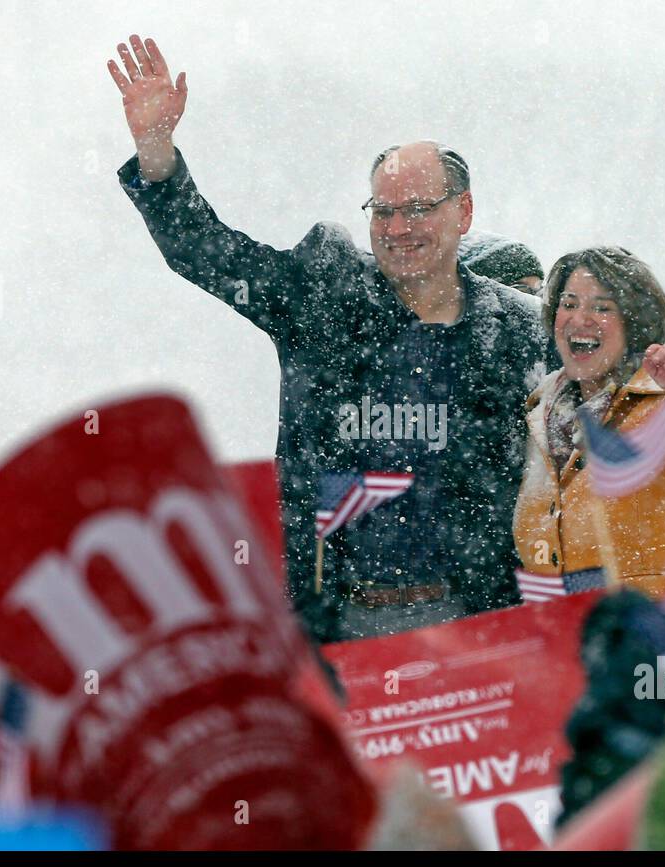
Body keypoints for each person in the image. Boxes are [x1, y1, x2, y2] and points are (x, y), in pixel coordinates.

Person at [107, 36, 548, 642]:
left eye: (418, 209)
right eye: (383, 212)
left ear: (463, 212)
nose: (398, 229)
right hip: (341, 621)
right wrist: (155, 149)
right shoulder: (323, 300)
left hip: (482, 618)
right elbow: (204, 252)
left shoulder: (520, 330)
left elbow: (597, 425)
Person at [513, 246, 665, 599]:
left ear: (634, 323)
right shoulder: (537, 408)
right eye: (569, 303)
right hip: (556, 635)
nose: (581, 318)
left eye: (602, 307)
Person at [459, 233, 665, 538]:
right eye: (517, 291)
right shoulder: (451, 378)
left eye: (539, 291)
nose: (530, 303)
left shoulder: (570, 372)